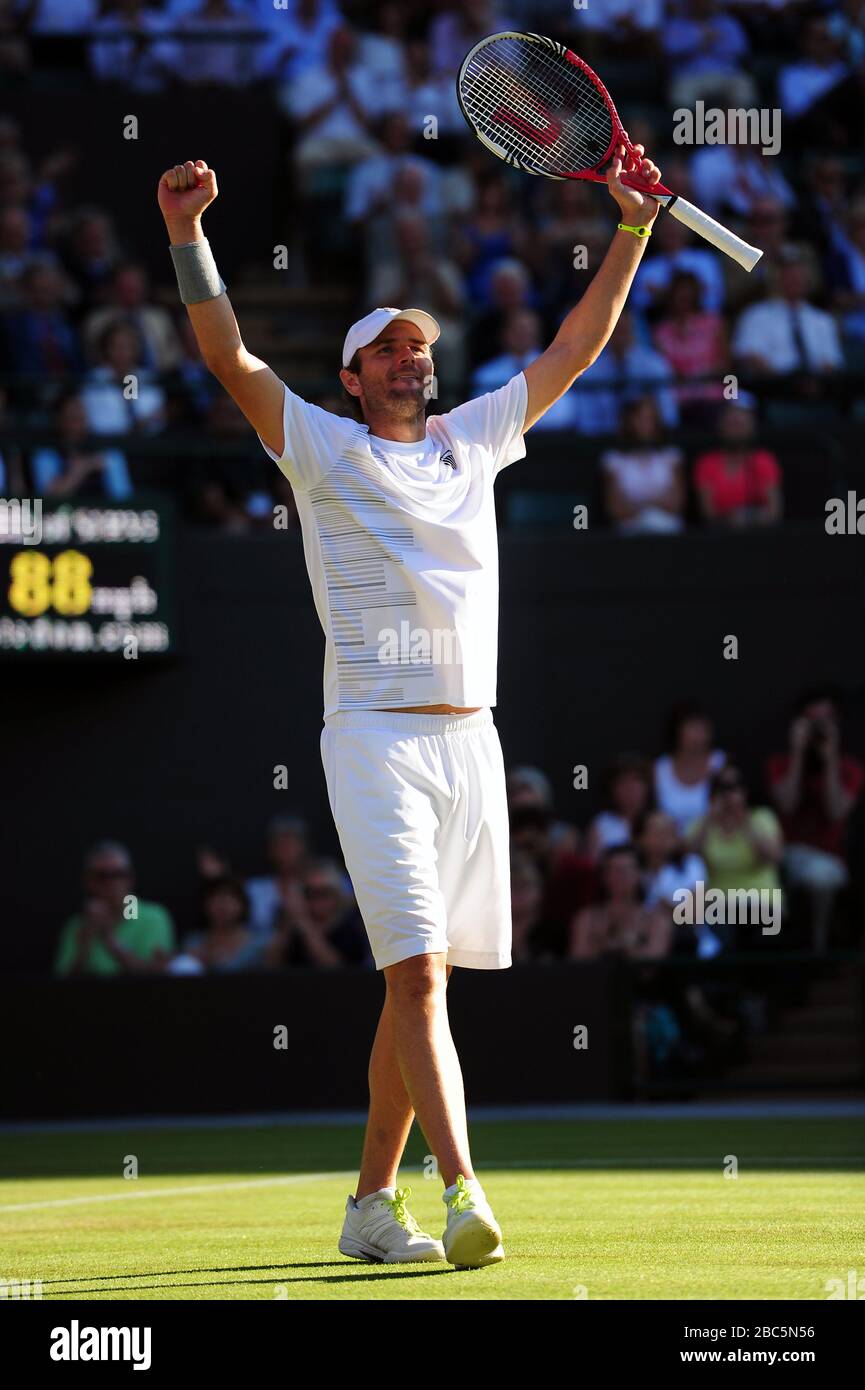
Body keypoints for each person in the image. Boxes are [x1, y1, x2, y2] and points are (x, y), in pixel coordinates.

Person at [157, 138, 665, 1268]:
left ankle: (366, 1205)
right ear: (349, 376)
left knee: (414, 986)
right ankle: (465, 1189)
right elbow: (229, 354)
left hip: (471, 742)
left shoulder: (474, 438)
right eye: (383, 348)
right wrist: (188, 233)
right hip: (374, 739)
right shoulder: (322, 449)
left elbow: (578, 348)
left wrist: (630, 226)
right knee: (418, 972)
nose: (404, 358)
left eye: (415, 346)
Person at [766, 690, 864, 953]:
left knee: (823, 876)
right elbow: (787, 804)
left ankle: (819, 951)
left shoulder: (849, 769)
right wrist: (798, 753)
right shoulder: (780, 763)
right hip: (789, 855)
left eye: (826, 721)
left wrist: (830, 757)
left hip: (831, 859)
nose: (819, 728)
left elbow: (836, 811)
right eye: (813, 721)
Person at [685, 766, 784, 950]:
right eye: (722, 788)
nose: (728, 794)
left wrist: (743, 821)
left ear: (744, 791)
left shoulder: (761, 817)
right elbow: (688, 858)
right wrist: (709, 819)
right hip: (719, 902)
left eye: (734, 787)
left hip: (760, 900)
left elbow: (773, 857)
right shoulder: (702, 824)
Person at [54, 841, 175, 976]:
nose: (110, 883)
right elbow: (62, 987)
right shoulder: (77, 925)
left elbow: (153, 975)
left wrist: (109, 938)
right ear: (88, 881)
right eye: (102, 876)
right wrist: (84, 945)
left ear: (130, 879)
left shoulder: (153, 917)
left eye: (118, 875)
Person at [264, 858, 372, 968]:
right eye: (310, 892)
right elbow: (269, 964)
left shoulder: (352, 926)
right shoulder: (291, 925)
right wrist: (289, 922)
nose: (317, 899)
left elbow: (338, 969)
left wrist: (305, 925)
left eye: (324, 892)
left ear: (337, 894)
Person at [601, 395, 685, 533]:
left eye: (650, 419)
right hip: (627, 533)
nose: (645, 424)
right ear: (629, 421)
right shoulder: (613, 460)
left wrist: (640, 505)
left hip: (668, 532)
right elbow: (616, 509)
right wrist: (653, 504)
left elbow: (676, 504)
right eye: (640, 418)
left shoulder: (672, 456)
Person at [693, 396, 782, 528]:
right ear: (721, 425)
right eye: (731, 422)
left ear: (752, 426)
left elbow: (775, 511)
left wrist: (750, 516)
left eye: (740, 423)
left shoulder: (764, 460)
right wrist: (732, 518)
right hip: (720, 537)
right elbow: (708, 513)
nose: (736, 428)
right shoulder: (707, 463)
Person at [654, 703, 726, 833]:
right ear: (677, 732)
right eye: (693, 728)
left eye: (703, 729)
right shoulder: (660, 768)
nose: (699, 736)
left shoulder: (721, 763)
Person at [172, 876, 267, 974]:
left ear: (243, 904)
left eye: (229, 899)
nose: (222, 905)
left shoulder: (261, 943)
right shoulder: (193, 942)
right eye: (215, 899)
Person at [587, 754, 655, 860]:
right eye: (622, 782)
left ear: (647, 786)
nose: (630, 788)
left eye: (636, 781)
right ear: (611, 789)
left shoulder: (659, 822)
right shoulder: (601, 825)